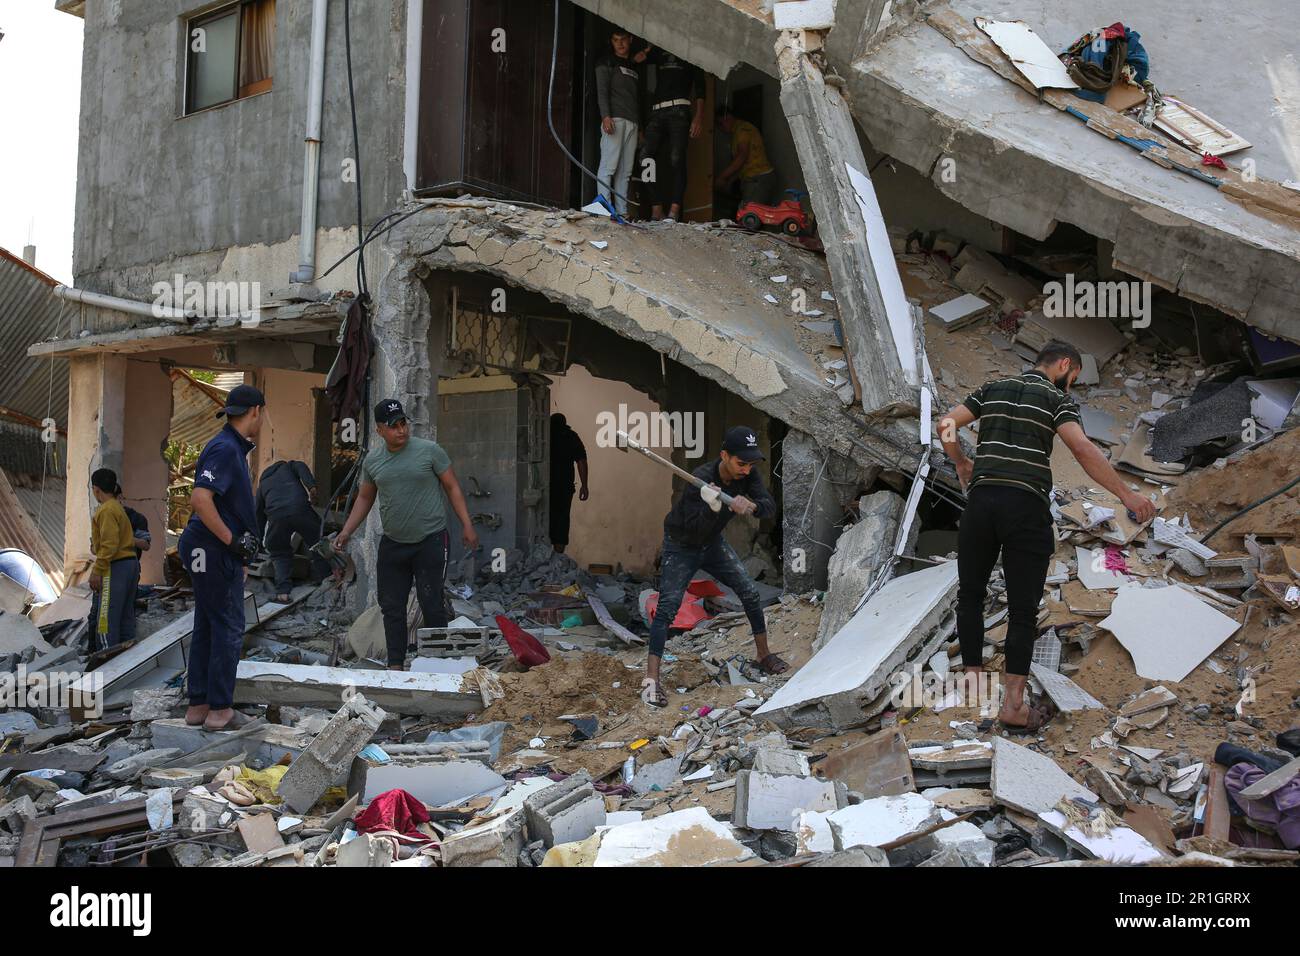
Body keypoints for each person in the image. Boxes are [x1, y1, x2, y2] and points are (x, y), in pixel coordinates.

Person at [938, 340, 1157, 732]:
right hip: (1025, 507)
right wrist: (1127, 494)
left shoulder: (992, 388)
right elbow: (1082, 449)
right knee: (1023, 610)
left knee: (969, 594)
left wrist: (961, 462)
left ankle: (972, 685)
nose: (1071, 384)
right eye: (1072, 377)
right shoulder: (1056, 399)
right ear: (1064, 366)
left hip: (982, 503)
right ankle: (1014, 707)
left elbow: (946, 424)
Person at [642, 426, 785, 707]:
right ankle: (651, 681)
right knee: (668, 608)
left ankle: (763, 655)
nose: (746, 469)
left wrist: (752, 506)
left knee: (749, 592)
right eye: (740, 463)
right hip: (681, 545)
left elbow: (769, 506)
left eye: (750, 464)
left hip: (712, 544)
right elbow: (693, 529)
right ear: (724, 456)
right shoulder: (701, 480)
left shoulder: (749, 476)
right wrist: (713, 506)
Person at [334, 399, 480, 670]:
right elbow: (365, 498)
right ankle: (396, 666)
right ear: (379, 430)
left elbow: (452, 487)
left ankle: (440, 664)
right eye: (393, 426)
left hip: (431, 540)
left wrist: (467, 524)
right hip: (393, 544)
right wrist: (346, 530)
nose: (401, 430)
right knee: (392, 606)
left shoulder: (430, 451)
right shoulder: (374, 461)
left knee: (431, 601)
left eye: (403, 423)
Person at [180, 384, 267, 732]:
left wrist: (237, 548)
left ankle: (199, 705)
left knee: (208, 623)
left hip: (205, 547)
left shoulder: (227, 446)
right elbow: (201, 499)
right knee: (229, 627)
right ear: (256, 412)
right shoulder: (226, 449)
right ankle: (220, 710)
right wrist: (234, 543)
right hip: (212, 547)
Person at [638, 44, 705, 222]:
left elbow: (700, 88)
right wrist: (650, 46)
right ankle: (656, 207)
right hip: (657, 111)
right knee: (645, 157)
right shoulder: (660, 50)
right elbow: (637, 59)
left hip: (680, 111)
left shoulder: (692, 53)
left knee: (677, 159)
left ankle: (674, 211)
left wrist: (698, 117)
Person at [256, 459, 330, 603]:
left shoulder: (262, 486)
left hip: (277, 517)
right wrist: (311, 486)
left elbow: (258, 516)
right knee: (317, 543)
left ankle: (283, 592)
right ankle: (328, 579)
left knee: (279, 552)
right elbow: (301, 466)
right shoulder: (289, 467)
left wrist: (258, 542)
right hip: (300, 508)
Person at [88, 468, 140, 652]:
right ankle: (128, 662)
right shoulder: (118, 508)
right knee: (125, 617)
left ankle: (107, 664)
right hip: (131, 564)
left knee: (106, 620)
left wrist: (97, 570)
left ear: (96, 489)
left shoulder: (106, 510)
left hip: (115, 567)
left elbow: (109, 544)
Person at [593, 28, 641, 217]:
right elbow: (602, 91)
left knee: (625, 171)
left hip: (633, 122)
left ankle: (622, 212)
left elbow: (638, 97)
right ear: (611, 42)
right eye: (615, 40)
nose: (620, 44)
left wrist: (641, 125)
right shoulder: (605, 62)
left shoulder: (634, 66)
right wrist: (605, 116)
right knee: (608, 166)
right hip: (615, 119)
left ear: (630, 40)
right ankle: (604, 210)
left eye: (623, 40)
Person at [716, 107, 777, 205]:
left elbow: (742, 156)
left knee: (751, 216)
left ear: (727, 118)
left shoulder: (742, 130)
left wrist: (722, 177)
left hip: (758, 179)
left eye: (721, 124)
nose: (721, 129)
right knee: (751, 214)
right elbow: (743, 164)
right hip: (755, 179)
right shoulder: (737, 132)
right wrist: (729, 181)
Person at [548, 412, 589, 554]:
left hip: (545, 487)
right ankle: (557, 555)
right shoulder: (570, 436)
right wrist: (584, 485)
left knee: (544, 520)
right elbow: (581, 461)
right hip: (564, 488)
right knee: (561, 520)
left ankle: (543, 555)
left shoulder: (543, 435)